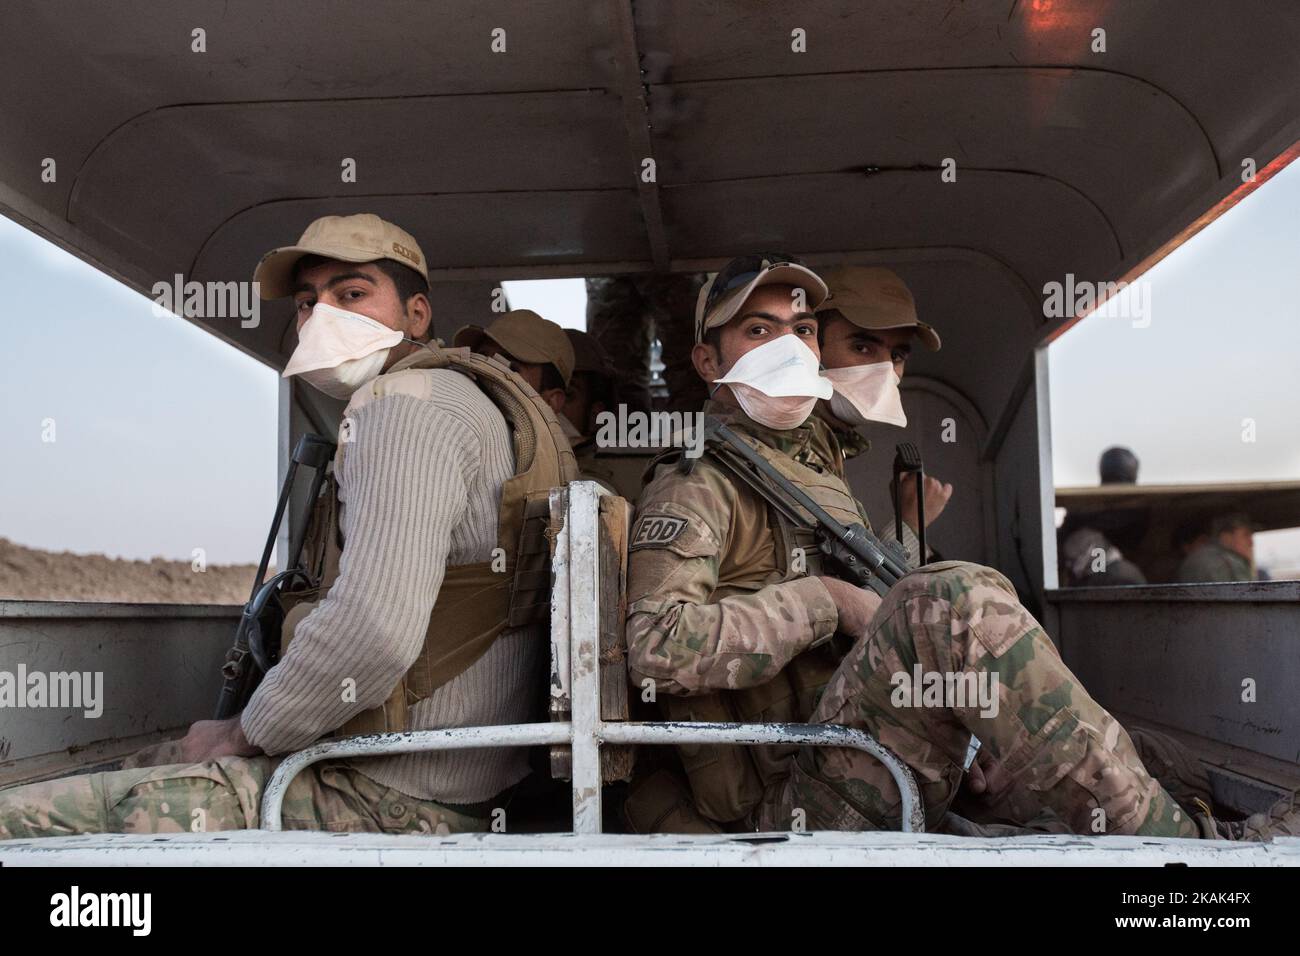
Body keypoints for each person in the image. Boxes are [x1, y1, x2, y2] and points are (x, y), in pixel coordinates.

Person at [622, 254, 1295, 841]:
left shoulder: (803, 471)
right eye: (758, 331)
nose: (789, 348)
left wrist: (963, 721)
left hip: (852, 748)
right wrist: (828, 601)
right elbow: (655, 648)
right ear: (708, 360)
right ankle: (1195, 852)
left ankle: (1189, 822)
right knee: (948, 598)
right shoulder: (699, 479)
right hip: (791, 798)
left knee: (1156, 754)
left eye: (800, 330)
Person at [0, 213, 576, 838]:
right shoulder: (488, 406)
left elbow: (374, 631)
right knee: (154, 761)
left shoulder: (402, 407)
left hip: (386, 796)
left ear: (416, 315)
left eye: (351, 294)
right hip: (474, 784)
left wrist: (246, 730)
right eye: (308, 302)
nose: (321, 315)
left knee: (24, 820)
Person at [813, 265, 951, 564]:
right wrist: (911, 525)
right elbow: (856, 597)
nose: (885, 370)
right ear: (810, 346)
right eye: (862, 347)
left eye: (897, 356)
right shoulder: (782, 446)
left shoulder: (828, 449)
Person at [1176, 512, 1260, 583]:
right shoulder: (1225, 562)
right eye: (1245, 535)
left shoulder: (1201, 556)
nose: (1251, 542)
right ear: (1227, 537)